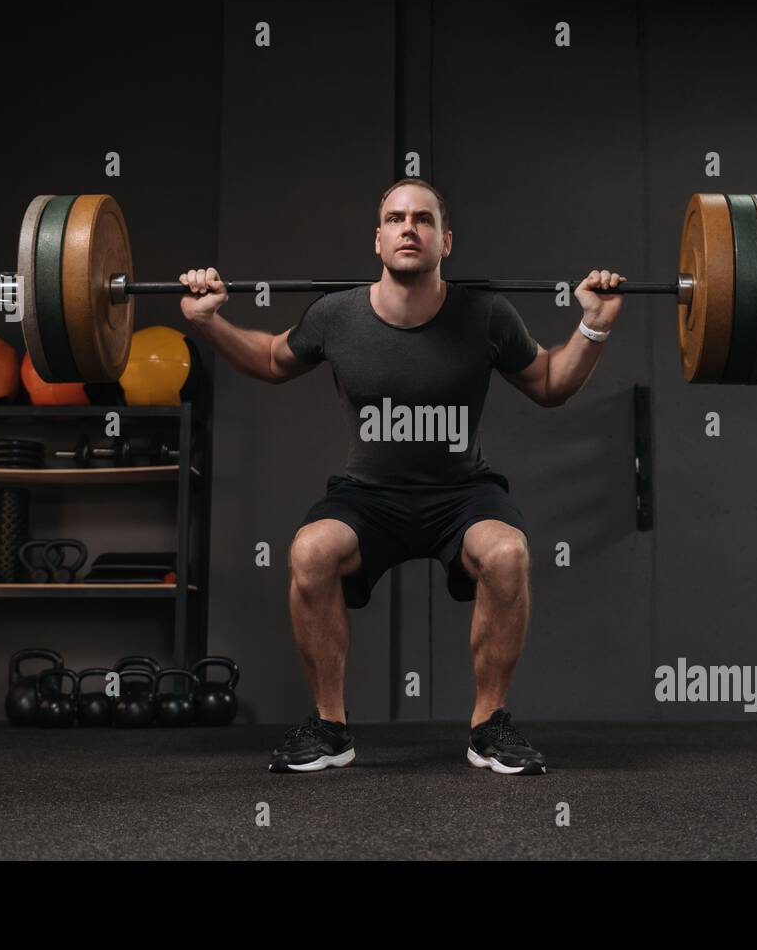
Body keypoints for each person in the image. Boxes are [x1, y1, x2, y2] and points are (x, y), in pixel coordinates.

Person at [180, 178, 623, 775]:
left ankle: (488, 727)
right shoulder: (336, 315)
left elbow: (549, 383)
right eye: (395, 219)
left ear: (445, 242)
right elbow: (268, 359)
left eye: (422, 219)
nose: (408, 228)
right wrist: (208, 323)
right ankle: (330, 729)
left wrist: (593, 325)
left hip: (462, 494)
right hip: (370, 498)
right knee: (310, 552)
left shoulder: (486, 314)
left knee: (508, 554)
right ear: (378, 239)